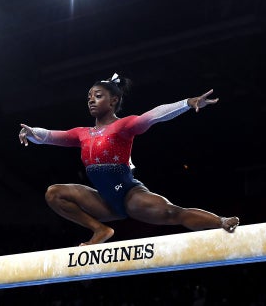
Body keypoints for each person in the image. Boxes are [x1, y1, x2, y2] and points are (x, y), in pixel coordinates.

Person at [18, 73, 240, 245]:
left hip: (129, 196)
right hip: (103, 202)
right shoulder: (81, 133)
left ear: (113, 100)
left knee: (174, 213)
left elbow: (153, 115)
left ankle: (221, 222)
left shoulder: (124, 126)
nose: (91, 101)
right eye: (89, 97)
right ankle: (100, 230)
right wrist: (30, 132)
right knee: (54, 193)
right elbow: (48, 136)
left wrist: (187, 103)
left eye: (98, 96)